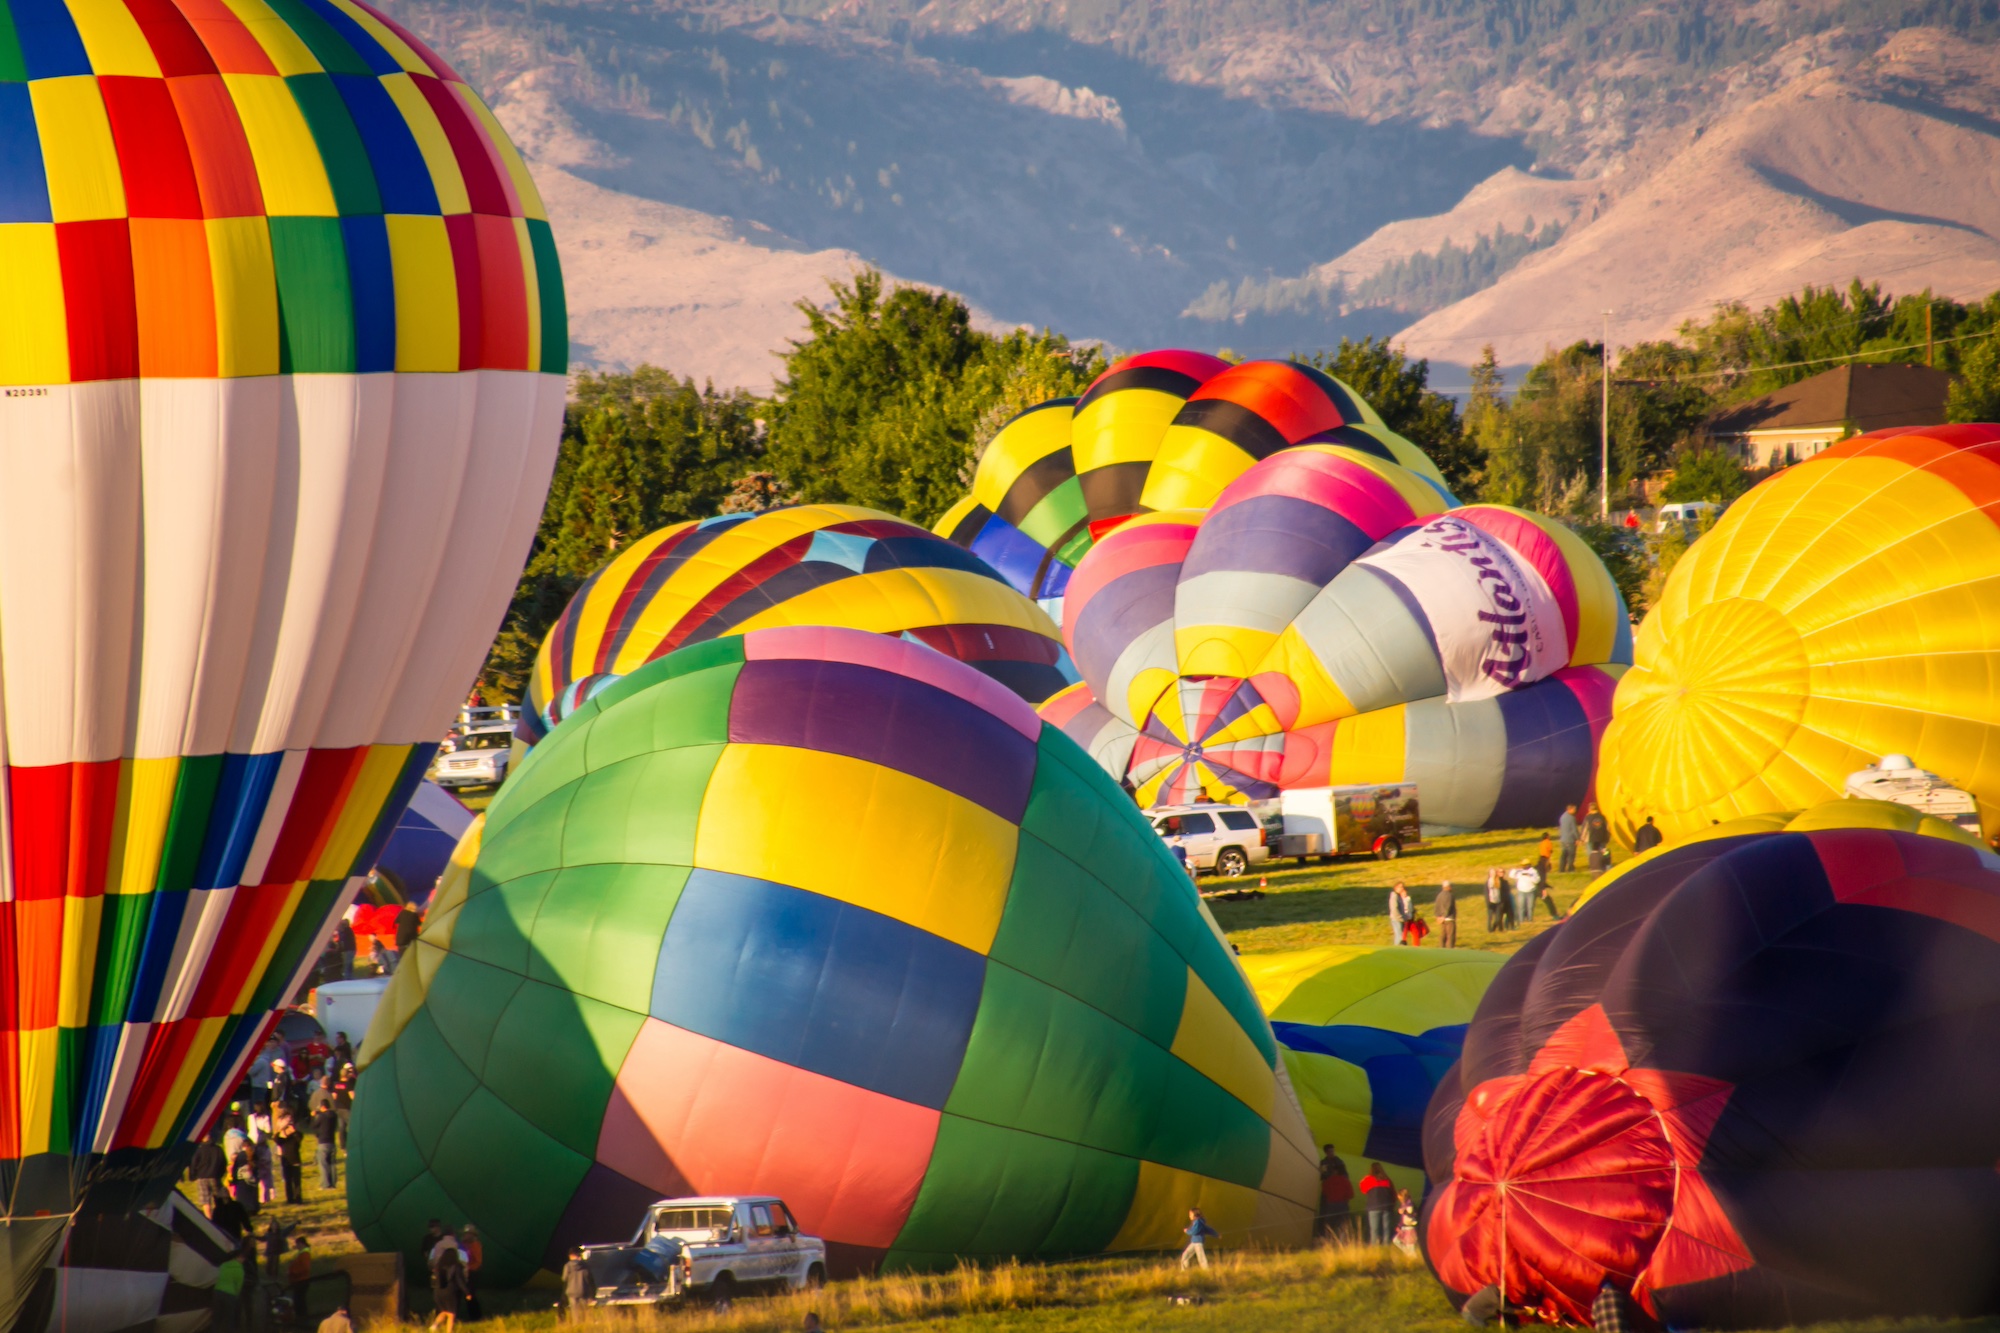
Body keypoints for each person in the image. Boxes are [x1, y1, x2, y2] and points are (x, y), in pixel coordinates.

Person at [1316, 1147, 1354, 1241]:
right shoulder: (1324, 1163)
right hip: (1334, 1196)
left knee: (1333, 1220)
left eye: (1332, 1151)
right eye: (1330, 1151)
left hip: (1333, 1196)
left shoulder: (1339, 1162)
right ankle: (1325, 1237)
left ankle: (1329, 1238)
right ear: (1326, 1152)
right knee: (1328, 1216)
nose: (1331, 1153)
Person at [431, 1246, 469, 1333]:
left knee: (443, 1311)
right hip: (450, 1292)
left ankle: (434, 1327)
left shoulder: (438, 1265)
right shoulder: (456, 1266)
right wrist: (467, 1292)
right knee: (451, 1314)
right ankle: (449, 1331)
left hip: (437, 1291)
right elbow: (460, 1281)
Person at [1359, 1163, 1397, 1246]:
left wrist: (1364, 1179)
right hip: (1387, 1207)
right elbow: (1393, 1194)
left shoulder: (1369, 1179)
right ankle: (1386, 1247)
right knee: (1386, 1229)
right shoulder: (1387, 1180)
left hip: (1373, 1207)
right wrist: (1392, 1205)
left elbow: (1363, 1189)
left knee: (1374, 1230)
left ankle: (1375, 1248)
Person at [191, 1134, 228, 1217]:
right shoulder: (218, 1149)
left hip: (202, 1177)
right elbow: (223, 1163)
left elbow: (193, 1164)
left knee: (205, 1200)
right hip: (215, 1177)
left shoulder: (199, 1150)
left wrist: (193, 1176)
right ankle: (221, 1215)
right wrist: (220, 1175)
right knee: (219, 1198)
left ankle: (209, 1218)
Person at [212, 1247, 246, 1333]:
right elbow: (239, 1285)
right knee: (228, 1318)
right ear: (238, 1257)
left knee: (216, 1317)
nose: (243, 1260)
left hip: (218, 1292)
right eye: (242, 1258)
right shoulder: (239, 1269)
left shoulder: (224, 1265)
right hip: (230, 1295)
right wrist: (237, 1295)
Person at [275, 1105, 304, 1204]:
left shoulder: (297, 1135)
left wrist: (294, 1131)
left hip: (295, 1159)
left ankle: (298, 1198)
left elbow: (299, 1139)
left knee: (296, 1181)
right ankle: (290, 1199)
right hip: (286, 1160)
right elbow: (276, 1140)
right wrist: (281, 1131)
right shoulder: (282, 1137)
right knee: (288, 1181)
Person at [312, 1098, 339, 1190]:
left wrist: (314, 1116)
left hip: (323, 1142)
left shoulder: (321, 1117)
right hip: (332, 1141)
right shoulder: (334, 1115)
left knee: (323, 1164)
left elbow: (314, 1125)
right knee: (332, 1164)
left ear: (322, 1107)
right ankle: (333, 1183)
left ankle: (325, 1184)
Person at [287, 1235, 314, 1319]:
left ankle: (302, 1317)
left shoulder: (304, 1254)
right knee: (299, 1300)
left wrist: (293, 1272)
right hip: (299, 1280)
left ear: (301, 1244)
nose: (296, 1246)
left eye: (297, 1244)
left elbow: (305, 1268)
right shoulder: (302, 1254)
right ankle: (302, 1317)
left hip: (301, 1280)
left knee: (299, 1300)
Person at [563, 1247, 593, 1318]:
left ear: (570, 1255)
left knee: (575, 1313)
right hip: (583, 1291)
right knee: (584, 1312)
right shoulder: (585, 1265)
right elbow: (589, 1278)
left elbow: (564, 1279)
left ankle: (576, 1326)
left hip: (571, 1292)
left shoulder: (567, 1266)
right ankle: (584, 1326)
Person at [1393, 1189, 1419, 1256]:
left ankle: (1412, 1257)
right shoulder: (1403, 1205)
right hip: (1404, 1227)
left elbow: (1411, 1213)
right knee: (1396, 1240)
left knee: (1410, 1246)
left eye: (1400, 1197)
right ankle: (1408, 1254)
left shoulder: (1410, 1204)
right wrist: (1399, 1226)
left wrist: (1404, 1212)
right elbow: (1403, 1218)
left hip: (1410, 1228)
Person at [1434, 881, 1457, 949]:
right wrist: (1444, 916)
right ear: (1448, 887)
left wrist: (1438, 917)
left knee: (1443, 936)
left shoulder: (1439, 895)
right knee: (1450, 936)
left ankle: (1441, 949)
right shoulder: (1450, 895)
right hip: (1449, 919)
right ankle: (1449, 952)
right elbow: (1448, 907)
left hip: (1442, 919)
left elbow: (1436, 907)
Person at [1558, 804, 1579, 872]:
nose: (1575, 811)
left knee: (1564, 854)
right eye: (1574, 809)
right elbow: (1574, 829)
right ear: (1570, 809)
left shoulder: (1562, 816)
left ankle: (1561, 869)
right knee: (1571, 854)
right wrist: (1578, 838)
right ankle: (1570, 868)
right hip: (1570, 839)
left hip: (1563, 839)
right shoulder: (1572, 818)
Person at [333, 916, 356, 981]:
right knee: (349, 964)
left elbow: (342, 940)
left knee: (347, 965)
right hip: (351, 949)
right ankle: (350, 978)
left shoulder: (346, 930)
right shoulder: (348, 930)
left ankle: (347, 979)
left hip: (349, 950)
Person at [1484, 868, 1504, 933]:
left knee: (1498, 918)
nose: (1493, 874)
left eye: (1494, 873)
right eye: (1492, 873)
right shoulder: (1489, 881)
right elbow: (1489, 888)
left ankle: (1494, 927)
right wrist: (1488, 902)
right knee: (1490, 916)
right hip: (1491, 901)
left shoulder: (1498, 881)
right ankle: (1490, 929)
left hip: (1498, 901)